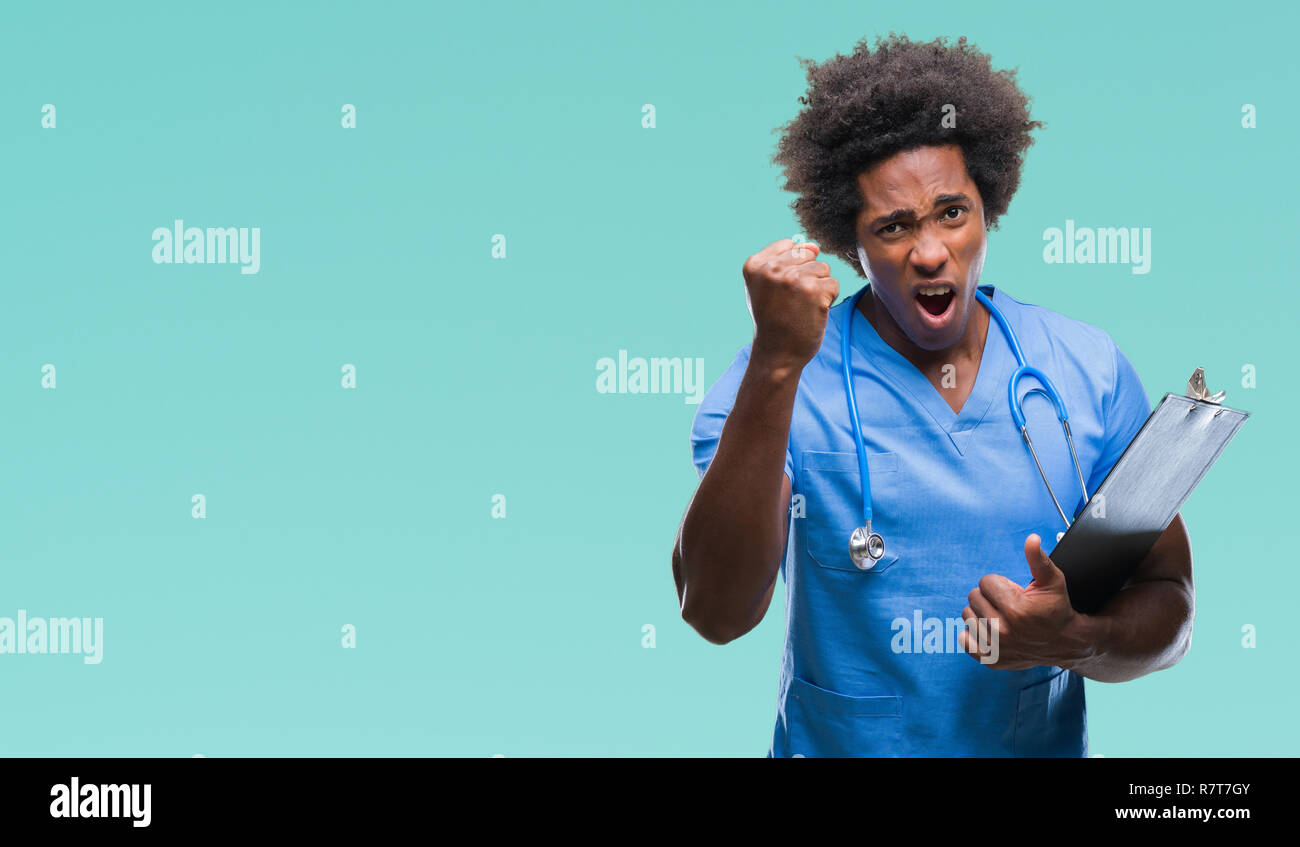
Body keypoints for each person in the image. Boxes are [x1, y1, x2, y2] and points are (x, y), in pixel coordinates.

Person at [670, 33, 1194, 757]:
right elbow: (715, 609)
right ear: (851, 246)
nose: (929, 251)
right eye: (893, 226)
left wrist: (1078, 639)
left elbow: (1170, 600)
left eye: (952, 212)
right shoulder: (779, 380)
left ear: (989, 206)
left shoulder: (1087, 370)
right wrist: (775, 366)